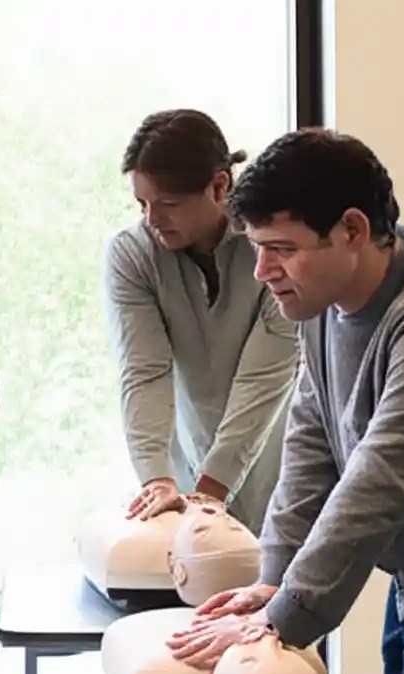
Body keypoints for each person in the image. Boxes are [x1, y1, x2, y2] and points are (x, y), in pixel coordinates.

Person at [165, 127, 404, 674]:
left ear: (352, 231)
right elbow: (310, 444)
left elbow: (377, 480)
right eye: (256, 247)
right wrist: (274, 581)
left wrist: (283, 617)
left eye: (280, 247)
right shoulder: (321, 303)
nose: (261, 270)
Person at [105, 109, 300, 534]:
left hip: (283, 463)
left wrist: (210, 492)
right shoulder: (132, 255)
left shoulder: (273, 245)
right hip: (185, 465)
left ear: (219, 186)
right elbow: (144, 372)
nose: (152, 220)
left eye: (168, 205)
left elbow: (265, 379)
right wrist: (158, 480)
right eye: (142, 204)